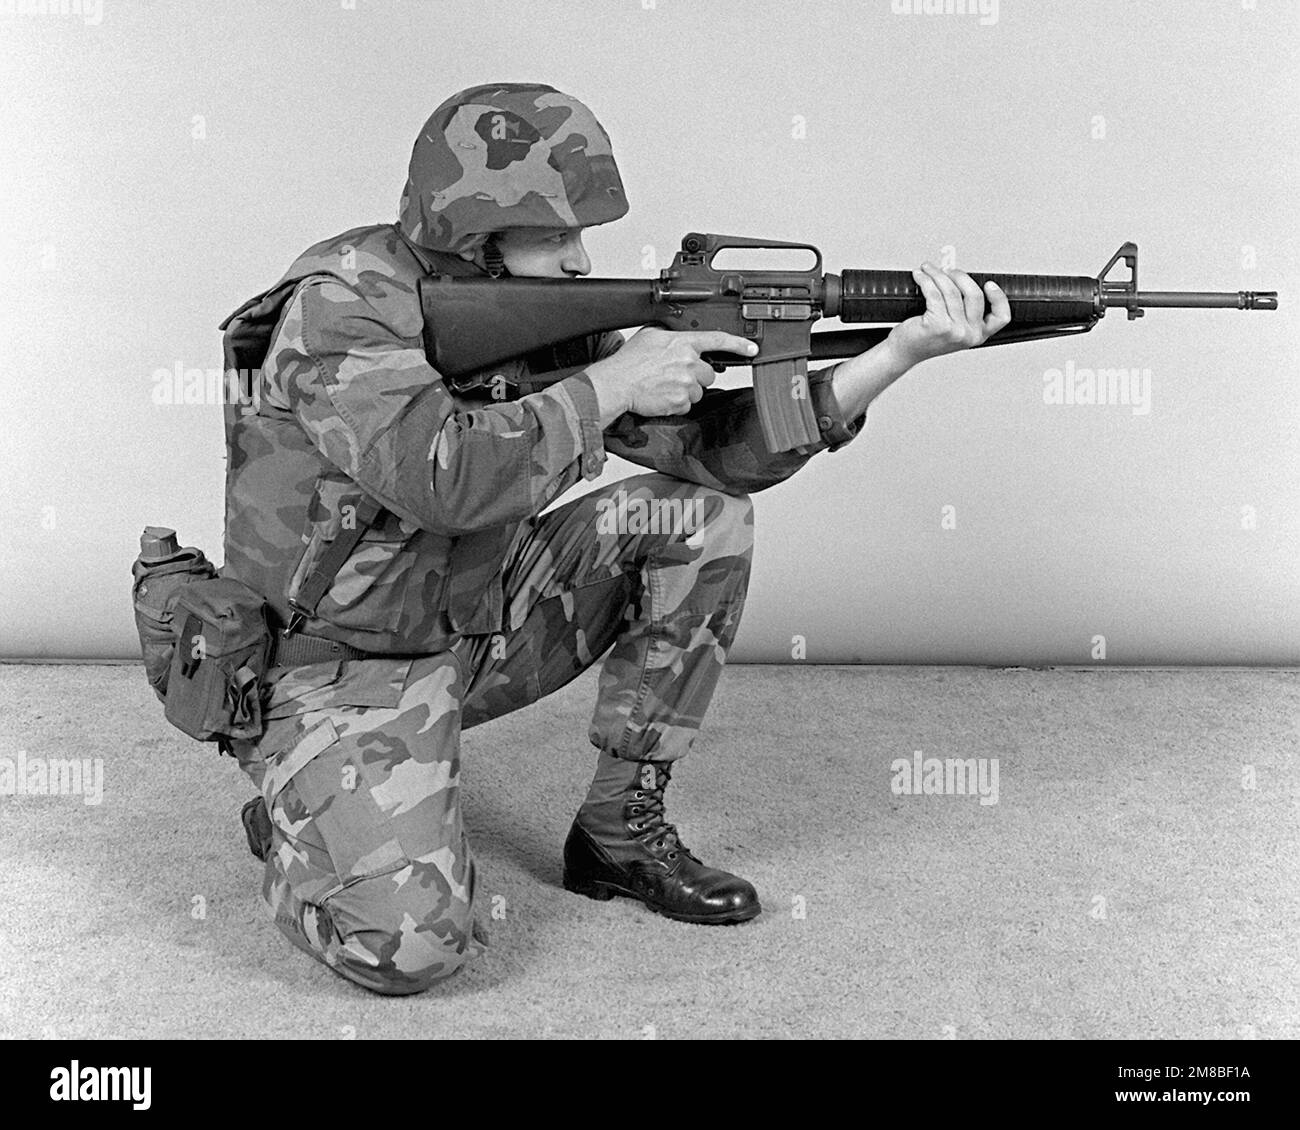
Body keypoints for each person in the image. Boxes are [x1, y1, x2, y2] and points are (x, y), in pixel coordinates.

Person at [220, 82, 1010, 995]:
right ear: (478, 232)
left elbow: (716, 460)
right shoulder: (343, 306)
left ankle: (617, 833)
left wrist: (895, 356)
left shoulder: (524, 307)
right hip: (332, 669)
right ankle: (297, 816)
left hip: (469, 622)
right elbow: (439, 477)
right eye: (555, 236)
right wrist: (612, 385)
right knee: (412, 950)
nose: (579, 259)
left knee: (696, 518)